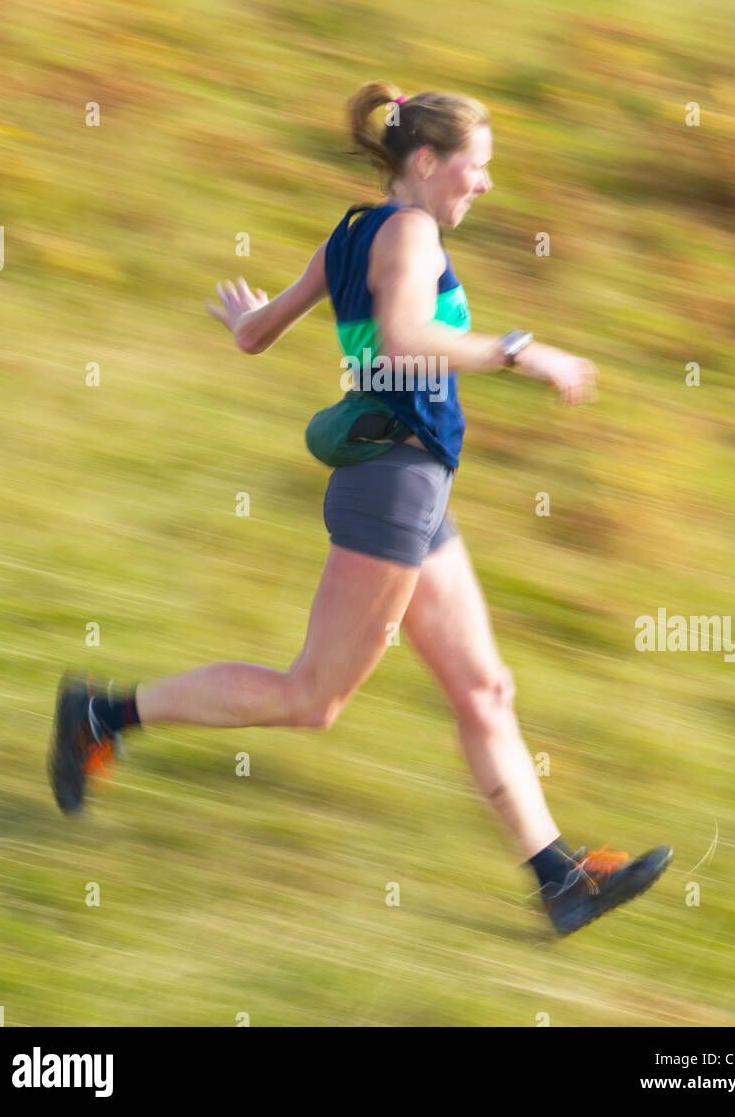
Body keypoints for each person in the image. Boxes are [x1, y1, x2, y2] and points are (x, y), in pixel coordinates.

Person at [49, 81, 672, 937]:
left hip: (411, 483)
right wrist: (525, 352)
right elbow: (405, 338)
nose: (485, 184)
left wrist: (242, 315)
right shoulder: (410, 232)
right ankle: (100, 714)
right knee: (312, 697)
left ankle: (560, 880)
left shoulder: (350, 232)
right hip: (392, 486)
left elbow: (255, 334)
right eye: (476, 167)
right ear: (424, 162)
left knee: (484, 688)